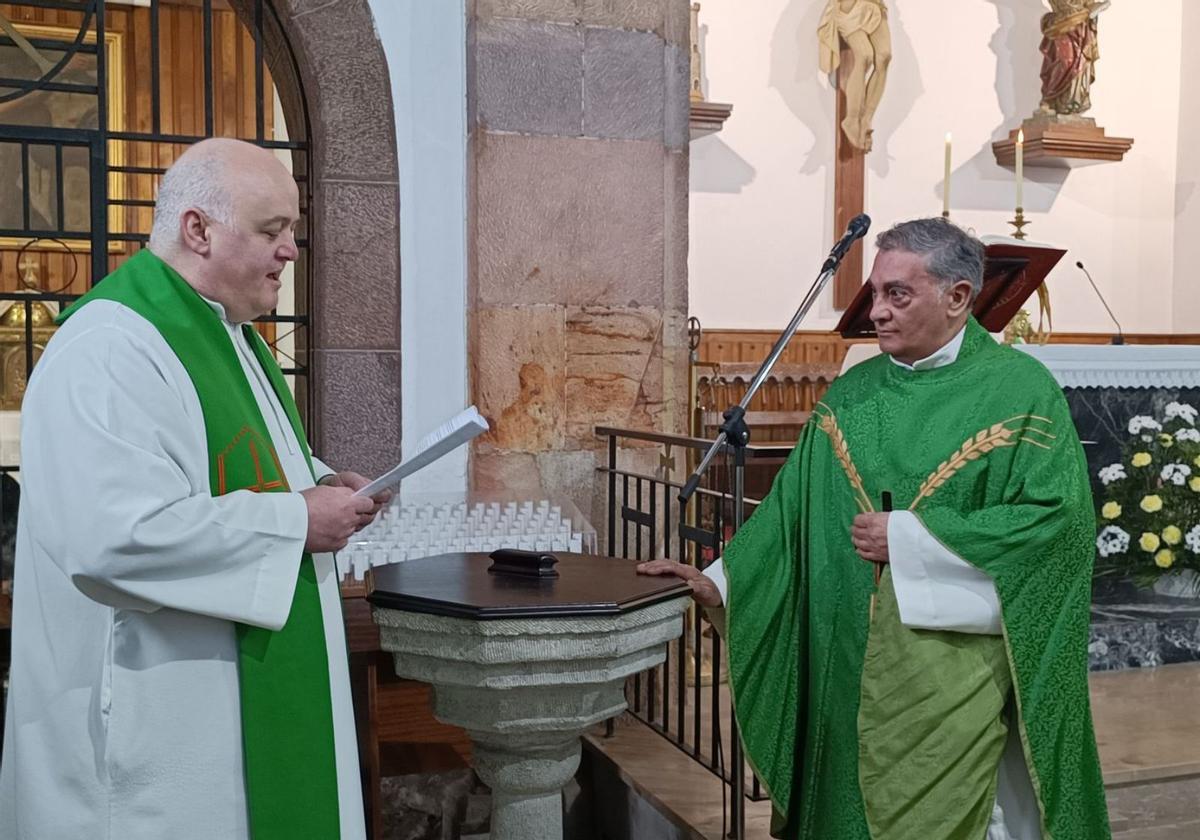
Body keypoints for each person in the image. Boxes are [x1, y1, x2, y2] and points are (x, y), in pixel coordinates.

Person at [640, 218, 1111, 840]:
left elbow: (1054, 523)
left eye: (898, 295)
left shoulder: (1020, 393)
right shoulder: (853, 393)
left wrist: (913, 540)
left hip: (947, 668)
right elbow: (789, 512)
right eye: (876, 294)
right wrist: (719, 580)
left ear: (958, 297)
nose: (879, 313)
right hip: (842, 658)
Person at [0, 138, 388, 840]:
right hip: (159, 737)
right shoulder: (112, 346)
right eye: (273, 231)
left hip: (227, 713)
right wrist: (296, 523)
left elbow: (246, 464)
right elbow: (113, 538)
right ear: (198, 230)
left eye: (292, 231)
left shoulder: (231, 337)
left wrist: (321, 481)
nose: (292, 252)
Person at [817, 0, 892, 152]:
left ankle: (866, 119)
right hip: (849, 6)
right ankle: (851, 119)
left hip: (874, 4)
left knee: (884, 57)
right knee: (865, 55)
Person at [1037, 0, 1109, 117]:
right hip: (1061, 26)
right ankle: (1050, 99)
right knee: (1063, 61)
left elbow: (1089, 5)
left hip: (1080, 28)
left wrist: (1095, 10)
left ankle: (1071, 103)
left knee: (1080, 64)